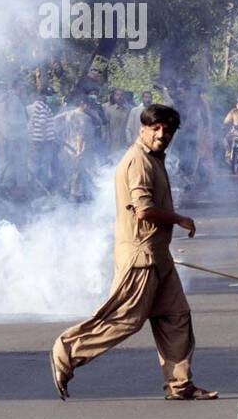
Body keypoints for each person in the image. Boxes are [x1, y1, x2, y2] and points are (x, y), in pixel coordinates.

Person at [49, 104, 217, 401]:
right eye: (155, 128)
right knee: (125, 319)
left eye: (167, 130)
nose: (161, 134)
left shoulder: (155, 159)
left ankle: (180, 385)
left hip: (158, 256)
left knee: (176, 316)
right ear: (143, 128)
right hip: (141, 257)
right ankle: (67, 349)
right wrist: (179, 219)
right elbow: (144, 210)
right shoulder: (138, 161)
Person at [54, 93, 94, 202]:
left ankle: (64, 195)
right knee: (76, 174)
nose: (89, 107)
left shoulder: (68, 114)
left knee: (67, 172)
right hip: (77, 149)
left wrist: (59, 137)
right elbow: (80, 136)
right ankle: (73, 197)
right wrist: (79, 151)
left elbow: (54, 120)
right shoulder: (85, 118)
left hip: (65, 148)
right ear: (82, 104)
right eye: (88, 104)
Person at [26, 89, 57, 192]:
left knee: (34, 164)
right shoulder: (43, 107)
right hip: (43, 141)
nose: (49, 98)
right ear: (43, 96)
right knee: (44, 164)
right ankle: (42, 188)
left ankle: (33, 187)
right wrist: (43, 141)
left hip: (33, 140)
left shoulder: (30, 107)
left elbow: (31, 124)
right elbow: (42, 123)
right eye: (48, 95)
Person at [104, 90, 130, 154]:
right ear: (114, 96)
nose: (119, 97)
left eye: (121, 95)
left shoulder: (128, 111)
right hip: (112, 143)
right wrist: (106, 139)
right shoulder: (109, 110)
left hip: (124, 143)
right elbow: (105, 127)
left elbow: (129, 127)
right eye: (117, 95)